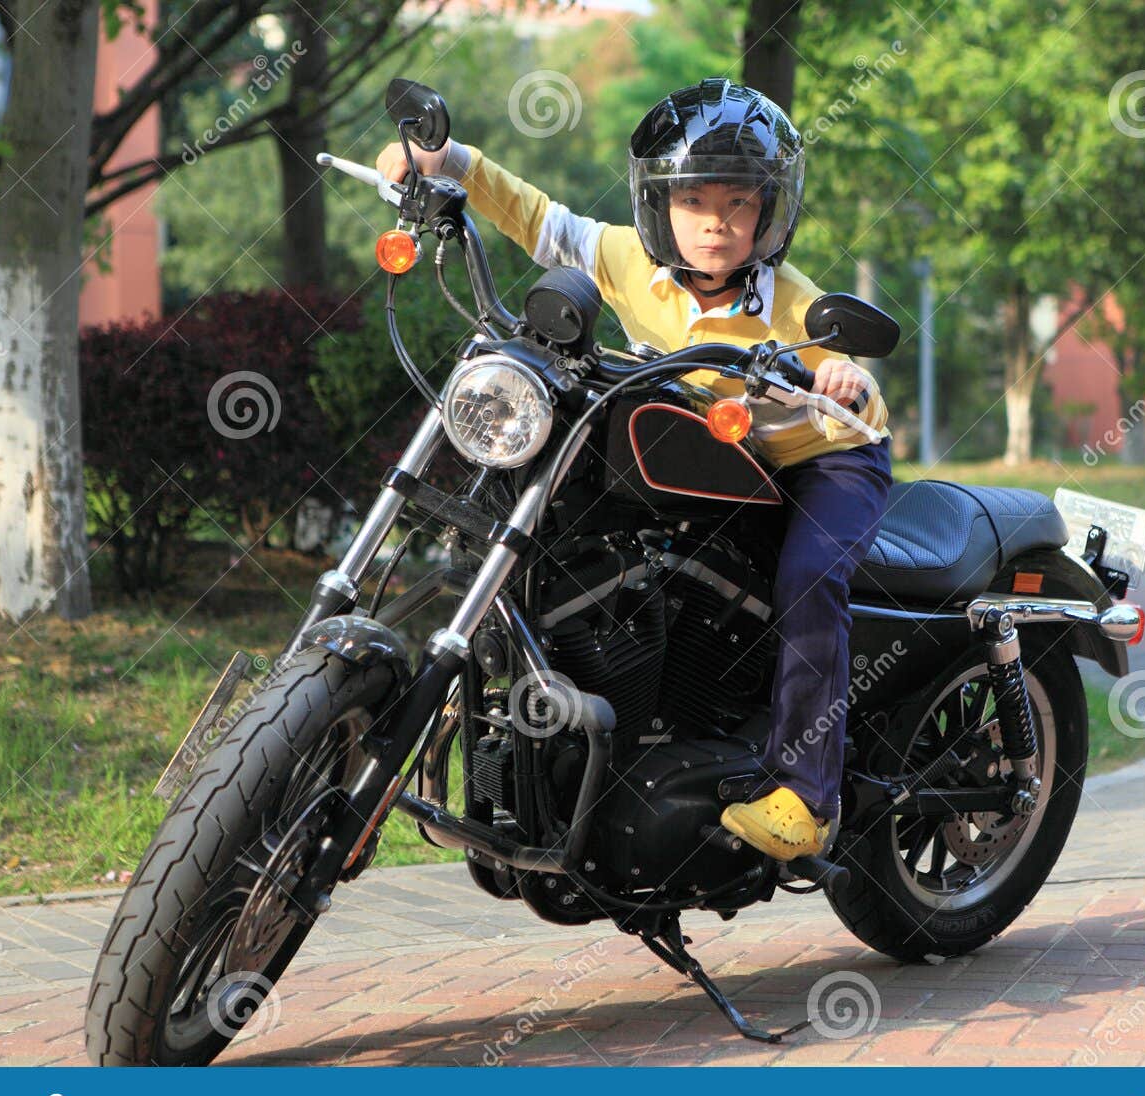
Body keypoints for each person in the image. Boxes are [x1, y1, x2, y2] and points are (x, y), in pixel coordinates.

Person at [377, 77, 894, 861]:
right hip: (718, 452)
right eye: (693, 202)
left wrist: (843, 378)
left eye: (738, 204)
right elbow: (534, 215)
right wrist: (444, 161)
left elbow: (848, 386)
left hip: (825, 456)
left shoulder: (794, 304)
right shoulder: (623, 257)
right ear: (661, 204)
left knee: (811, 575)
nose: (715, 223)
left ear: (769, 210)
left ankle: (805, 794)